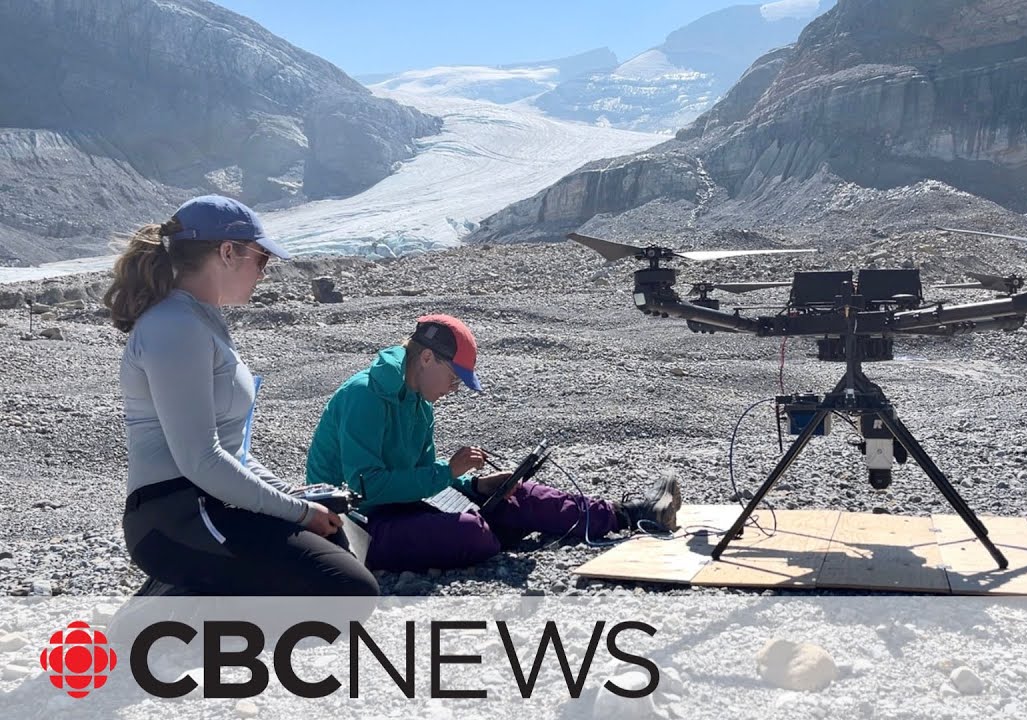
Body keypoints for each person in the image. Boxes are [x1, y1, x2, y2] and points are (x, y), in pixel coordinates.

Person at [105, 195, 378, 597]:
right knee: (346, 591)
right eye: (261, 259)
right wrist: (300, 513)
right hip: (177, 514)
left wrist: (291, 497)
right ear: (228, 252)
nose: (263, 274)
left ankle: (196, 591)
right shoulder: (175, 326)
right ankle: (163, 612)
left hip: (209, 503)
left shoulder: (198, 319)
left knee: (342, 544)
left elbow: (233, 451)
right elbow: (200, 459)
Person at [305, 314, 681, 572]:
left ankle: (625, 514)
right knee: (470, 531)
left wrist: (471, 485)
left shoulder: (419, 403)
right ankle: (493, 528)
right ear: (426, 357)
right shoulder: (364, 396)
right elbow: (364, 487)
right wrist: (448, 472)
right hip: (359, 525)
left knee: (517, 494)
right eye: (454, 378)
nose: (454, 389)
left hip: (402, 507)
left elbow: (426, 479)